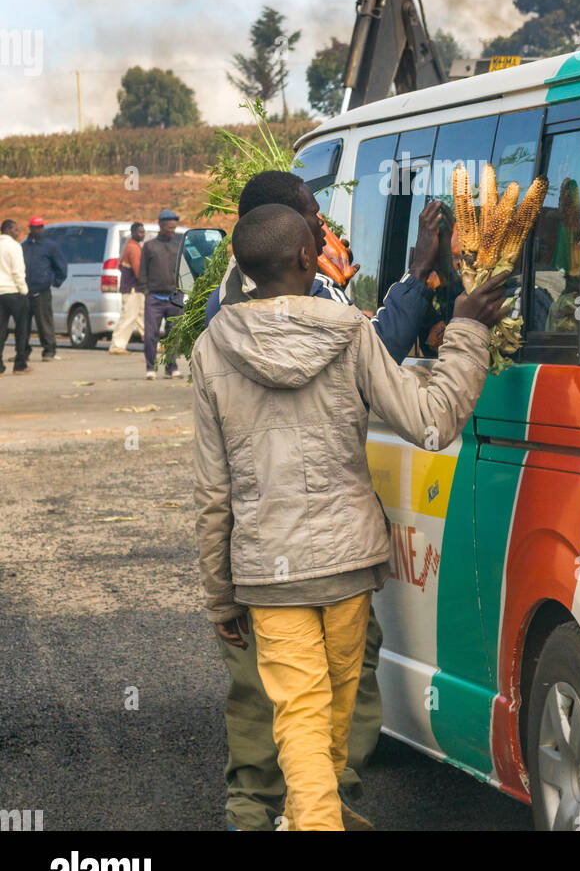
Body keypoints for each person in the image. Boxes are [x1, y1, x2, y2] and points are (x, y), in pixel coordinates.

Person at [192, 203, 505, 831]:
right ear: (309, 258)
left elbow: (212, 490)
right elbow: (432, 421)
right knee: (328, 711)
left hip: (268, 573)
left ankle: (311, 818)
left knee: (303, 714)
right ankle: (316, 820)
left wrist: (220, 597)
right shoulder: (351, 332)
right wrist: (467, 330)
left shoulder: (211, 348)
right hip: (346, 565)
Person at [138, 210, 183, 379]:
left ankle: (171, 367)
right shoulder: (150, 246)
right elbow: (142, 272)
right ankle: (151, 368)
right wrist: (146, 291)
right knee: (150, 335)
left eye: (174, 227)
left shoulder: (179, 244)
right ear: (161, 226)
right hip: (154, 298)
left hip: (175, 298)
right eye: (169, 226)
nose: (172, 229)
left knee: (174, 335)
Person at [21, 216, 67, 362]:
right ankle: (22, 352)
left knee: (44, 323)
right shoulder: (23, 246)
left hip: (42, 291)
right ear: (30, 228)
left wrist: (54, 281)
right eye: (35, 227)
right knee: (23, 324)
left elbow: (61, 267)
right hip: (24, 291)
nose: (38, 229)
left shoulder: (50, 246)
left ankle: (49, 350)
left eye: (41, 227)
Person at [109, 222, 146, 355]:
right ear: (133, 232)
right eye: (140, 232)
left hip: (135, 289)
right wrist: (146, 283)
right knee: (128, 317)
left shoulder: (132, 246)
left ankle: (152, 343)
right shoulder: (133, 248)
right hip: (132, 289)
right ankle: (117, 345)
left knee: (143, 317)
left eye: (143, 232)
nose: (143, 234)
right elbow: (138, 270)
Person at [0, 219, 31, 375]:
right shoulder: (14, 247)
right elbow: (18, 271)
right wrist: (24, 290)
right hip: (14, 291)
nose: (18, 233)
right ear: (7, 229)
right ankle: (20, 363)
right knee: (22, 328)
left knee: (1, 329)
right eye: (15, 230)